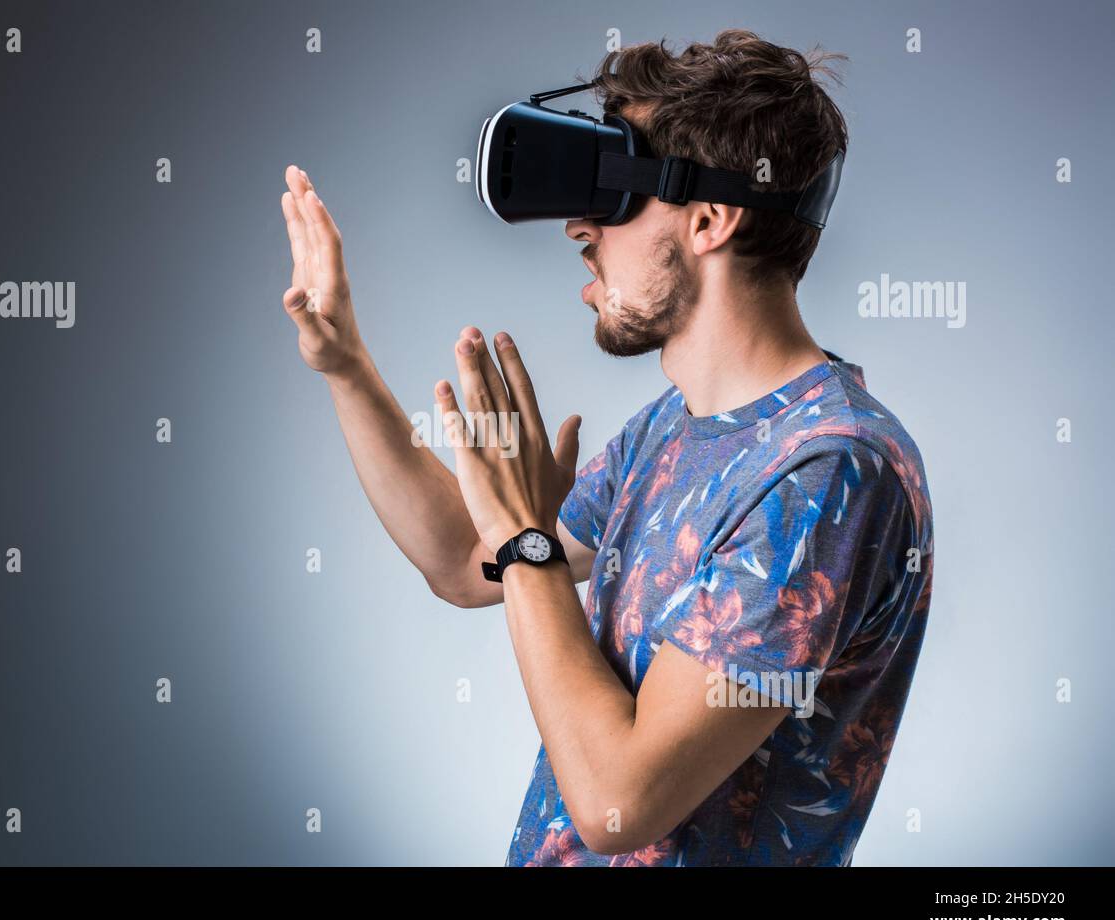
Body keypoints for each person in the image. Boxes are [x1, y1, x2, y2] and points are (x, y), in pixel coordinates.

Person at [277, 30, 933, 866]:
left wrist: (529, 543)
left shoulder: (829, 469)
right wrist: (346, 367)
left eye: (620, 191)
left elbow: (618, 801)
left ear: (708, 219)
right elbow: (460, 561)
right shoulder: (672, 428)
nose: (581, 227)